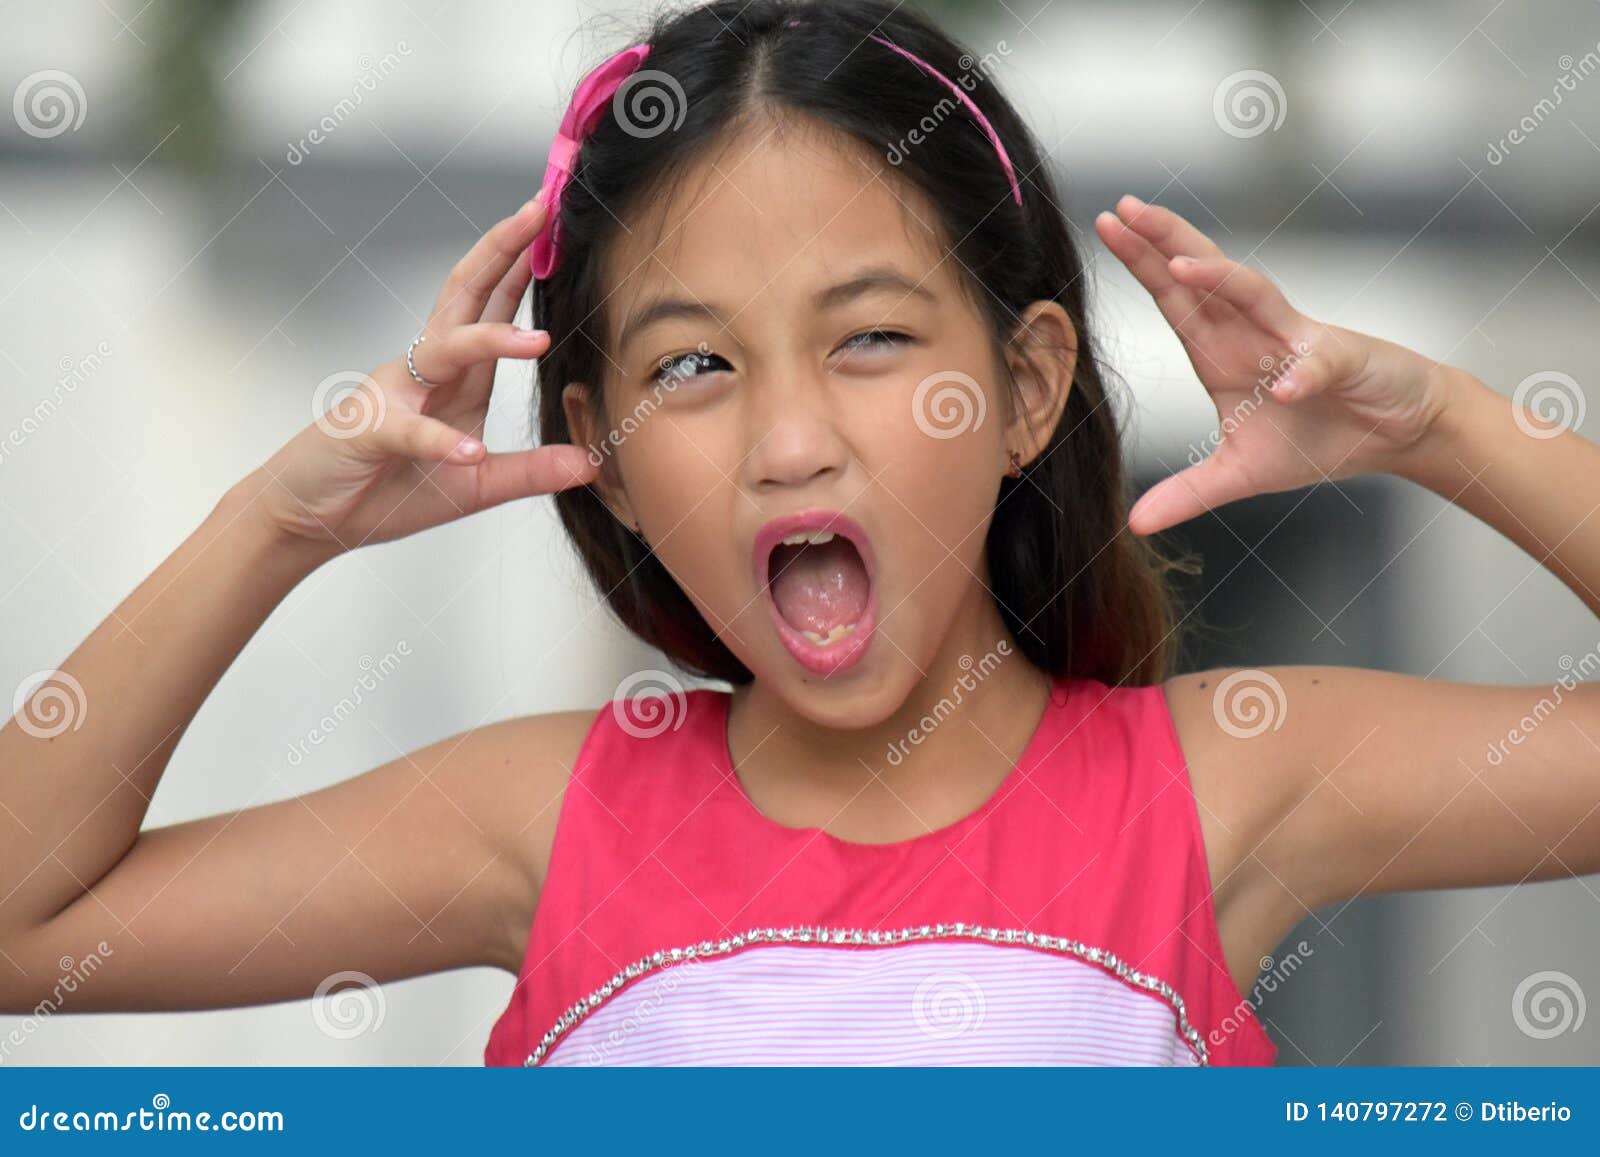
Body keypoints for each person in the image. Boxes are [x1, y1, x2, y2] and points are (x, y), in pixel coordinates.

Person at [3, 0, 1597, 1067]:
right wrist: (270, 525)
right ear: (604, 460)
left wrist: (1445, 425)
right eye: (691, 365)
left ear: (1030, 387)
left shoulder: (1223, 784)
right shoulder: (543, 817)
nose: (786, 439)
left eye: (873, 339)